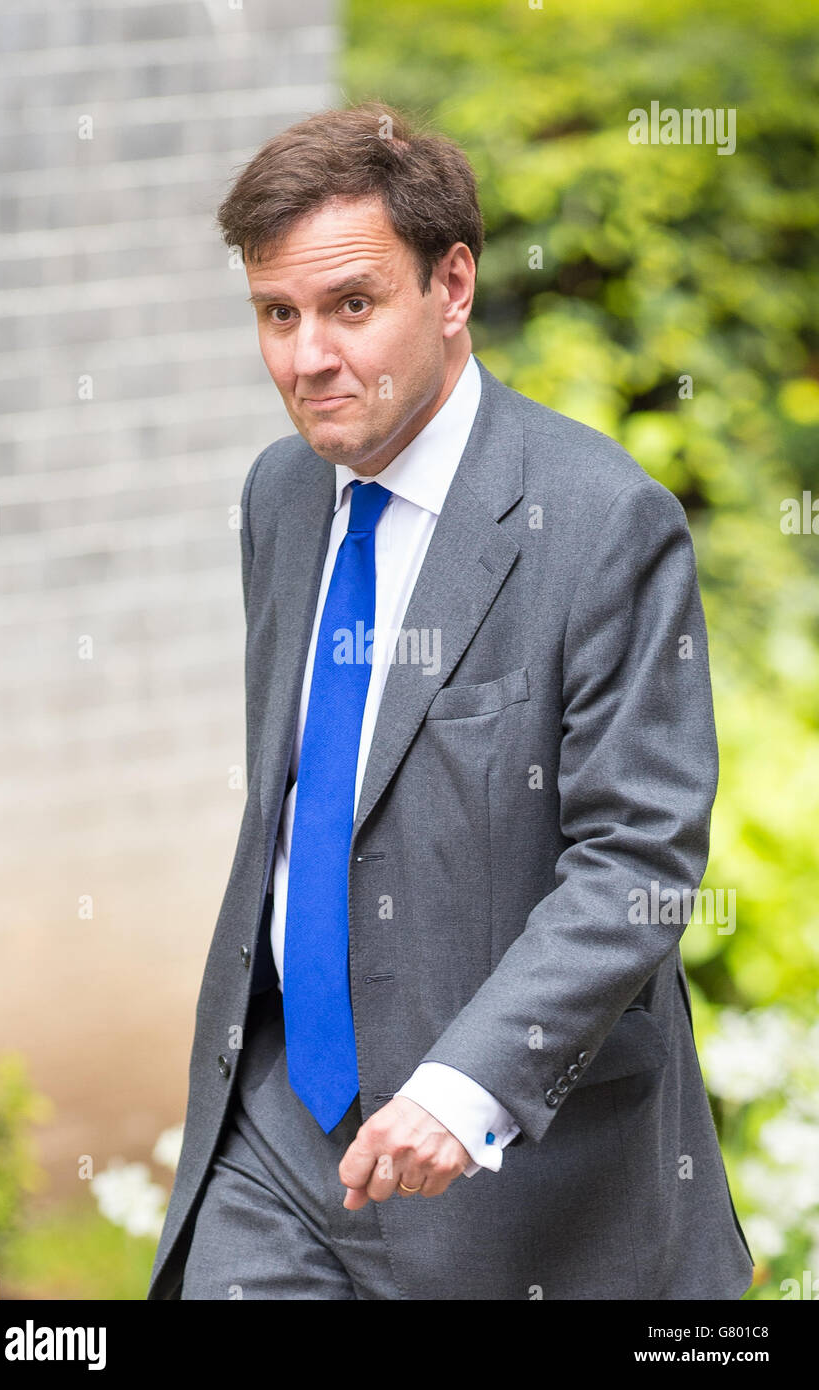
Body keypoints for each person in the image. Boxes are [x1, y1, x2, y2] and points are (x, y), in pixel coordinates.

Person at [148, 102, 754, 1301]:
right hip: (275, 1143)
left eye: (351, 306)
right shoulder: (281, 497)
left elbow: (638, 856)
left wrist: (461, 1086)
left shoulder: (601, 522)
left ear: (454, 285)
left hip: (519, 1196)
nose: (307, 356)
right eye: (279, 315)